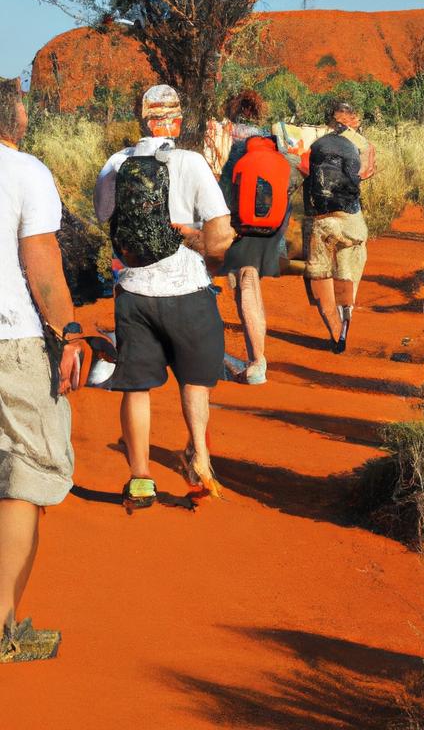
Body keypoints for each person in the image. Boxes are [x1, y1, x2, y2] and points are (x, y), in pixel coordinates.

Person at [94, 85, 234, 506]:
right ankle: (200, 458)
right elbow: (221, 234)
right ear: (176, 120)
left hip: (134, 292)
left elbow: (104, 214)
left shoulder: (117, 162)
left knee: (136, 386)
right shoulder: (191, 162)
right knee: (194, 382)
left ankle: (140, 479)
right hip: (188, 292)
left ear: (142, 119)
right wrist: (197, 244)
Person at [0, 78, 84, 662]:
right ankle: (4, 628)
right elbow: (41, 261)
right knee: (24, 478)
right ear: (14, 116)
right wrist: (70, 332)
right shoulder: (24, 170)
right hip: (13, 341)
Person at [219, 91, 291, 385]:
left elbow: (223, 187)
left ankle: (257, 361)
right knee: (252, 282)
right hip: (274, 226)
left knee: (244, 282)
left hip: (242, 224)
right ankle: (256, 356)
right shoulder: (270, 141)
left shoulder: (230, 141)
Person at [302, 101, 371, 353]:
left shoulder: (316, 144)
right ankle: (345, 319)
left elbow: (306, 179)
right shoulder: (359, 144)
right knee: (347, 270)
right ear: (352, 120)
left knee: (321, 274)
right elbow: (364, 174)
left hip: (321, 219)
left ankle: (333, 330)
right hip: (349, 218)